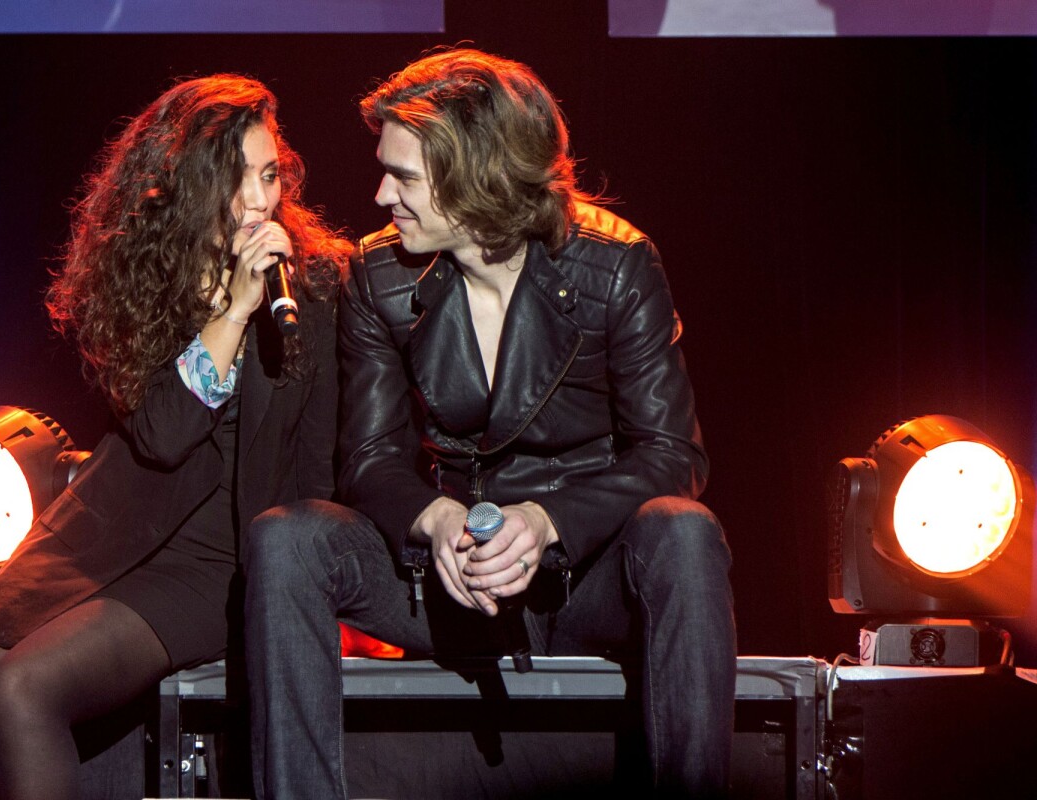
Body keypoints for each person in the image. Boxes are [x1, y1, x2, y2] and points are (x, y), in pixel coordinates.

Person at [243, 48, 736, 799]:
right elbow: (369, 459)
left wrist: (544, 523)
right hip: (450, 580)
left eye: (403, 177)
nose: (381, 194)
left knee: (684, 530)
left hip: (581, 578)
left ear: (473, 175)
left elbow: (672, 455)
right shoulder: (379, 276)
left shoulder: (615, 266)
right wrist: (435, 520)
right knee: (287, 539)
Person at [0, 74, 348, 800]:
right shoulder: (137, 273)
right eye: (237, 178)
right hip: (107, 526)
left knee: (24, 689)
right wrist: (229, 314)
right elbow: (162, 433)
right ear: (188, 183)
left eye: (269, 175)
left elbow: (318, 465)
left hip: (216, 559)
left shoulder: (312, 288)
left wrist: (299, 586)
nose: (261, 199)